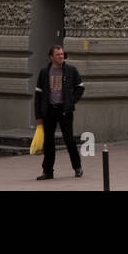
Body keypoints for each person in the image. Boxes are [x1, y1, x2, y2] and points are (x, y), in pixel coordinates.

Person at [33, 44, 84, 180]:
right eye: (58, 55)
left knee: (69, 140)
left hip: (64, 111)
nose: (61, 56)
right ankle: (48, 171)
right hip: (49, 110)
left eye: (62, 54)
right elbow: (38, 94)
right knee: (48, 142)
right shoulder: (44, 72)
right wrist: (38, 115)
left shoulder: (70, 70)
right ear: (51, 57)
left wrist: (71, 101)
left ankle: (77, 167)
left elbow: (80, 87)